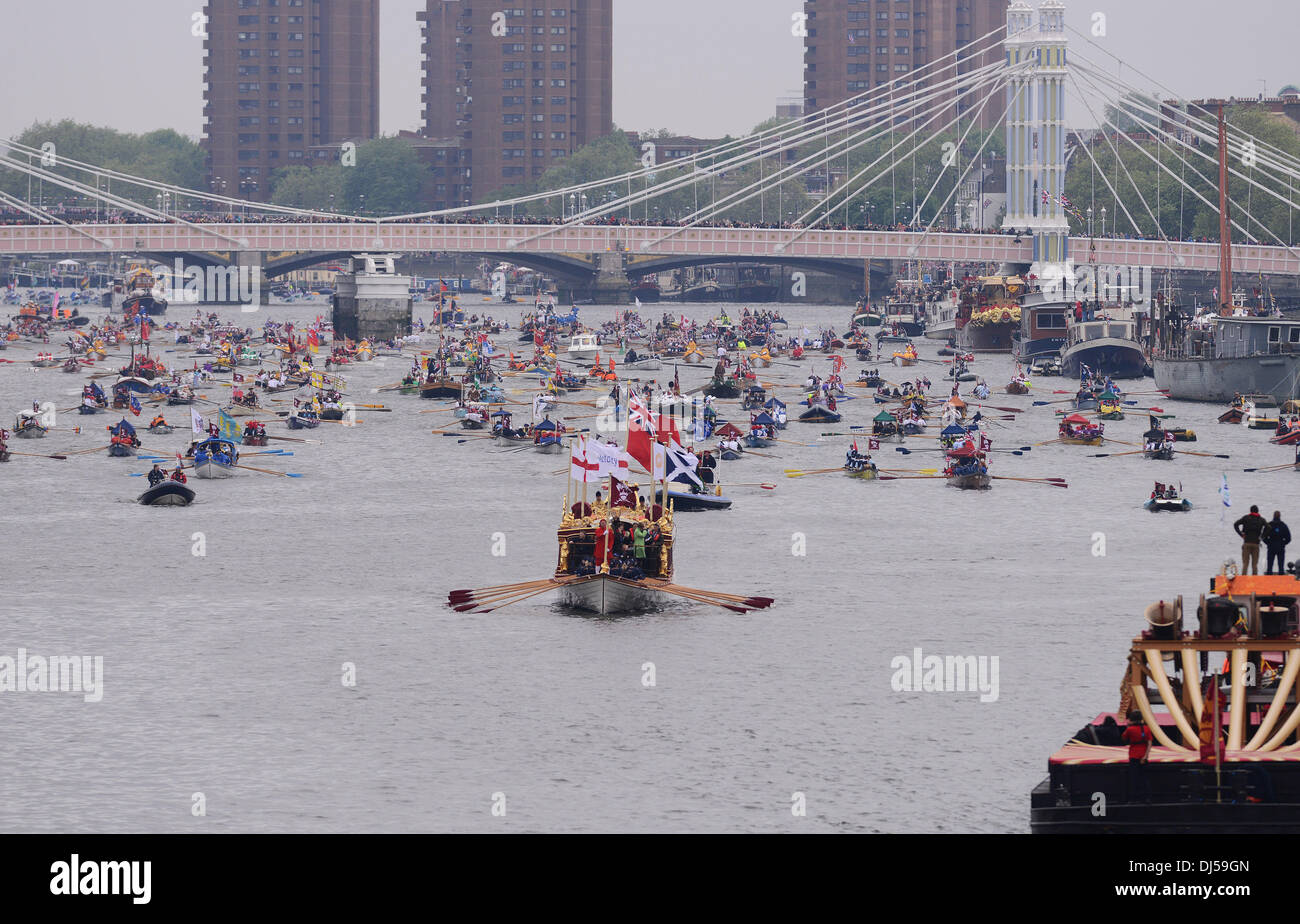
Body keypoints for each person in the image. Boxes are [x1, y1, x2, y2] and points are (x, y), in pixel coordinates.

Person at [1121, 710, 1153, 803]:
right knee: (1145, 778)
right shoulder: (1146, 729)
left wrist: (1128, 726)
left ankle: (1132, 799)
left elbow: (1124, 738)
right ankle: (1148, 798)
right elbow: (1149, 743)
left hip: (1134, 756)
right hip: (1143, 756)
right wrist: (1146, 756)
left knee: (1133, 778)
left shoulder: (1130, 729)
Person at [1235, 505, 1268, 575]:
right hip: (1256, 544)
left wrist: (1241, 534)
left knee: (1245, 563)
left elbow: (1235, 524)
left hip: (1246, 543)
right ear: (1257, 511)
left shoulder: (1246, 518)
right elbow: (1268, 527)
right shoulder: (1261, 519)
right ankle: (1254, 579)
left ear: (1250, 511)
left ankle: (1243, 578)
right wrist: (1262, 536)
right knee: (1254, 564)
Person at [1264, 511, 1292, 575]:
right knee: (1281, 566)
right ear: (1280, 516)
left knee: (1269, 566)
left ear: (1273, 516)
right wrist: (1283, 543)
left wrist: (1268, 543)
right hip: (1280, 547)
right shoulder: (1283, 525)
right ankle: (1281, 580)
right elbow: (1289, 538)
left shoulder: (1269, 525)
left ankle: (1268, 579)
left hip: (1271, 546)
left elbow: (1263, 537)